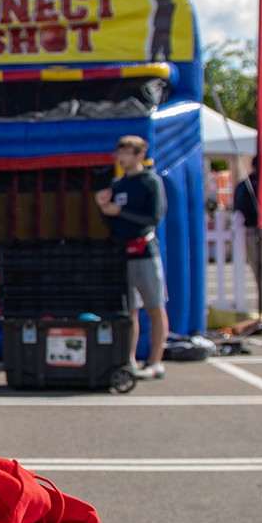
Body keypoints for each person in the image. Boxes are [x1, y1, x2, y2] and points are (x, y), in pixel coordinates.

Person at [95, 134, 168, 379]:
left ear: (139, 155)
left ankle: (156, 361)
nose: (121, 157)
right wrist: (104, 207)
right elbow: (110, 221)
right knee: (129, 311)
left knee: (155, 306)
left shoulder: (150, 182)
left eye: (126, 153)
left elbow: (154, 217)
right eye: (119, 153)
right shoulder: (117, 185)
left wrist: (121, 211)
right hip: (122, 253)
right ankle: (129, 359)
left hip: (145, 251)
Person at [231, 168, 262, 315]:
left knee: (261, 274)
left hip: (247, 233)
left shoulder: (243, 185)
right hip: (258, 234)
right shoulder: (258, 185)